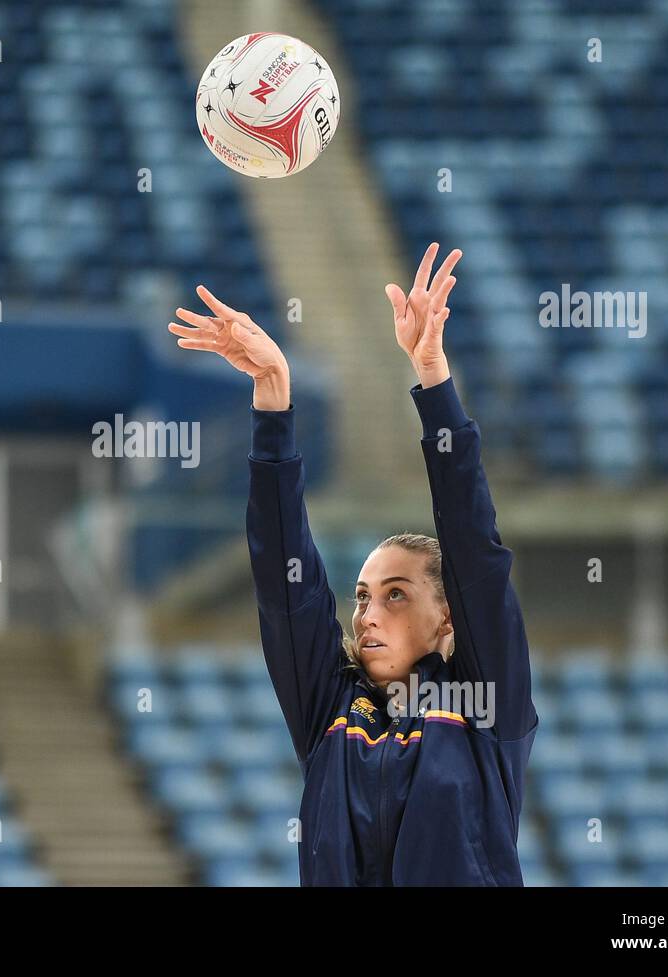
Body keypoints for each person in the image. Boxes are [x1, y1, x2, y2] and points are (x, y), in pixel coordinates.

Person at [167, 242, 538, 885]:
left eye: (396, 594)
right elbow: (285, 580)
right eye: (362, 596)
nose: (366, 613)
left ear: (447, 619)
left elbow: (476, 546)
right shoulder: (329, 709)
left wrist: (434, 381)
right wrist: (273, 399)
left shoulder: (485, 703)